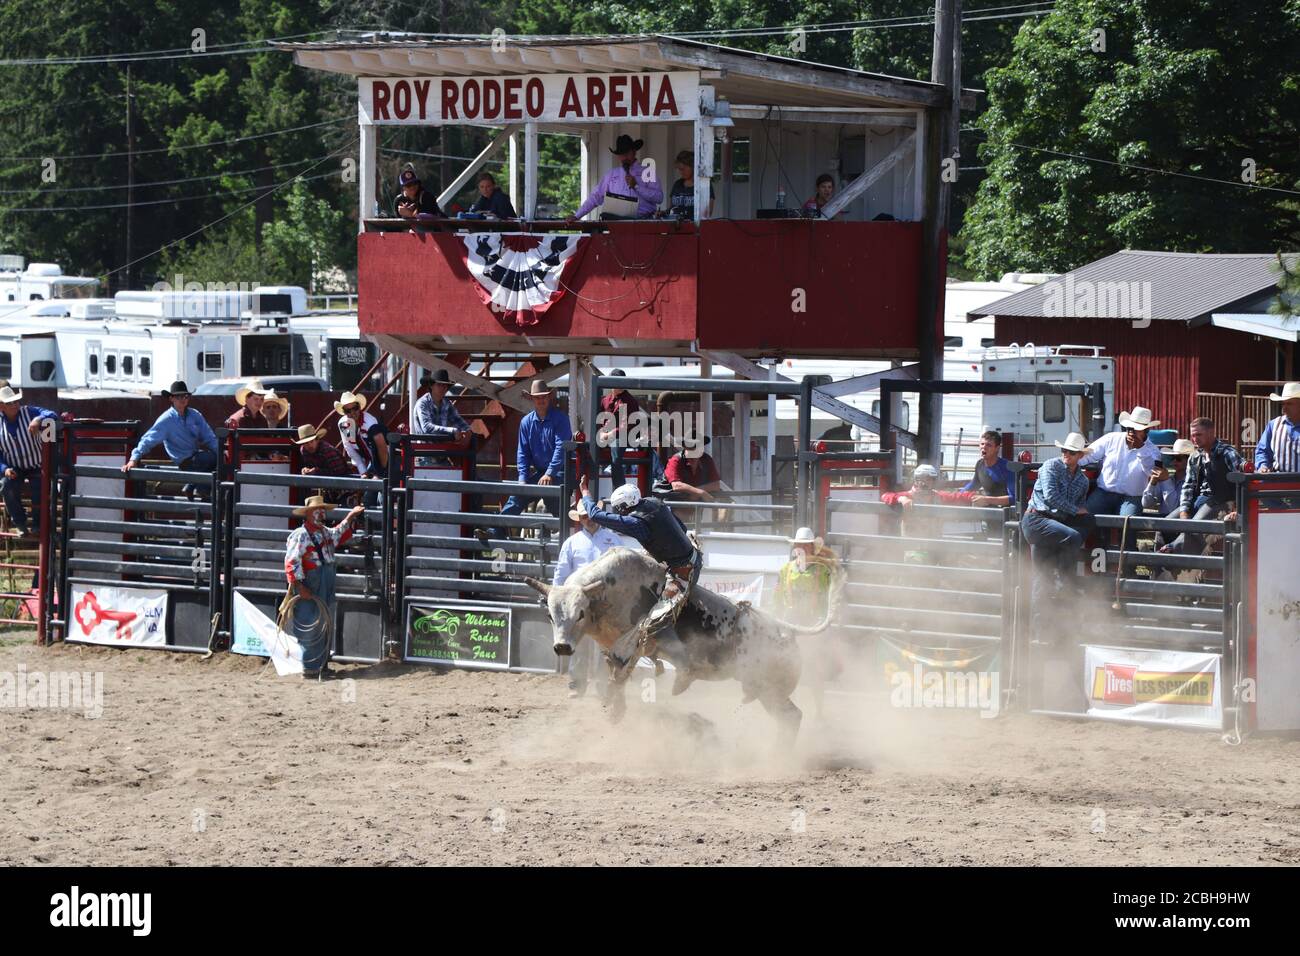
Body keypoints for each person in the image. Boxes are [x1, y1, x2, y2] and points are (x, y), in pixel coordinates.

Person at [580, 476, 701, 688]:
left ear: (625, 507)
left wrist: (585, 494)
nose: (620, 515)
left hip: (683, 572)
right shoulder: (654, 503)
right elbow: (679, 526)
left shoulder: (637, 523)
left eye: (620, 510)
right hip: (687, 557)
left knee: (656, 620)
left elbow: (596, 515)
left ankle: (685, 666)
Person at [477, 380, 572, 542]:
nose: (541, 400)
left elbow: (561, 448)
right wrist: (523, 479)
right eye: (537, 397)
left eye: (543, 397)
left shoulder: (559, 419)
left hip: (560, 472)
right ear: (532, 399)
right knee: (519, 496)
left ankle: (567, 535)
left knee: (552, 503)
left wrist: (549, 472)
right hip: (544, 474)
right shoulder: (527, 422)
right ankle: (497, 529)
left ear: (549, 398)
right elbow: (523, 452)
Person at [283, 495, 365, 681]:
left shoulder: (324, 532)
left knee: (325, 620)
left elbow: (338, 533)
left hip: (324, 577)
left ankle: (321, 664)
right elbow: (292, 560)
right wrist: (299, 585)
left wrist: (351, 516)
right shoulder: (301, 534)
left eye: (322, 510)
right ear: (309, 514)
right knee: (310, 620)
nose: (321, 513)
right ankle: (311, 667)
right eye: (317, 510)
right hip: (311, 581)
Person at [553, 497, 627, 699]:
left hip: (605, 600)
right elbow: (561, 572)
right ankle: (577, 684)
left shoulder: (613, 539)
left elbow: (623, 568)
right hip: (578, 602)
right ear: (580, 519)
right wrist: (557, 594)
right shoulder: (572, 543)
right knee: (580, 640)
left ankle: (603, 685)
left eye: (590, 516)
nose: (588, 520)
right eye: (584, 517)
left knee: (605, 642)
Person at [1020, 432, 1093, 607]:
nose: (1066, 454)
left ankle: (1043, 630)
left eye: (1071, 452)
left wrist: (1076, 512)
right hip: (1036, 520)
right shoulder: (1050, 466)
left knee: (1041, 580)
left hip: (1053, 526)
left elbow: (1077, 510)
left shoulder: (1083, 481)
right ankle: (1065, 581)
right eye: (1064, 450)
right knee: (1074, 537)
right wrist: (1076, 510)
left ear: (1080, 456)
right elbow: (1051, 496)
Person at [1079, 406, 1162, 549]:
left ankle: (1127, 567)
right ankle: (1077, 557)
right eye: (1129, 427)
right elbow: (1089, 454)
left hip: (1131, 497)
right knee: (1082, 517)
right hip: (1104, 492)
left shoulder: (1153, 451)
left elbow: (1151, 472)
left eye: (1135, 429)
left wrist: (1140, 449)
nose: (1131, 431)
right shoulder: (1111, 439)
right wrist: (1071, 462)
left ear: (1145, 431)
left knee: (1127, 526)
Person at [122, 381, 219, 495]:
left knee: (217, 459)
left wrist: (221, 452)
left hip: (195, 458)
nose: (182, 399)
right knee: (213, 458)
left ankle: (194, 487)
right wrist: (133, 459)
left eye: (185, 396)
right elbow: (148, 439)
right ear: (171, 398)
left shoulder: (195, 415)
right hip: (185, 461)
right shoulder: (166, 420)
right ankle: (197, 487)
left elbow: (209, 436)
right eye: (178, 396)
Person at [1164, 419, 1242, 554]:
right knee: (1165, 524)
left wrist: (1239, 509)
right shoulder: (1194, 457)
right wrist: (1184, 510)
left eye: (1198, 435)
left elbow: (1242, 482)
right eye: (1193, 435)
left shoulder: (1228, 453)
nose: (1194, 439)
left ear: (1211, 432)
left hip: (1223, 502)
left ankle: (1171, 552)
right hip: (1200, 501)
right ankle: (1161, 563)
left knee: (1194, 526)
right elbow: (1188, 486)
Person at [0, 385, 58, 537]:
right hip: (14, 468)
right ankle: (20, 523)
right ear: (1, 407)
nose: (14, 405)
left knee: (41, 487)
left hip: (37, 464)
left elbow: (52, 414)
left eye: (15, 402)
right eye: (9, 403)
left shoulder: (29, 411)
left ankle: (38, 524)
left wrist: (39, 419)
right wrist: (4, 468)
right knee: (6, 486)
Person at [568, 134, 663, 221]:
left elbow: (659, 198)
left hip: (644, 223)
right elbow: (596, 197)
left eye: (627, 153)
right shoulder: (611, 174)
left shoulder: (647, 172)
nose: (624, 157)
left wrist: (637, 187)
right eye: (621, 154)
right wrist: (577, 216)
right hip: (617, 224)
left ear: (634, 152)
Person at [335, 391, 388, 506]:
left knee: (381, 498)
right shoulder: (343, 424)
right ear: (344, 412)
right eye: (348, 411)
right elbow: (349, 448)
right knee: (369, 499)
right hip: (371, 461)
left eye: (355, 408)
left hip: (385, 459)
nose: (353, 413)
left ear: (359, 407)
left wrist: (378, 472)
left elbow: (380, 449)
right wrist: (363, 471)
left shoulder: (370, 422)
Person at [596, 368, 643, 488]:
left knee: (616, 454)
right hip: (606, 436)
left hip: (624, 437)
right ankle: (589, 481)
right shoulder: (605, 400)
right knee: (588, 449)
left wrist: (609, 434)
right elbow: (598, 420)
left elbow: (626, 426)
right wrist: (601, 432)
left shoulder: (628, 401)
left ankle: (619, 489)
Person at [295, 423, 355, 504]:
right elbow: (308, 466)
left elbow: (340, 473)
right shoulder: (304, 451)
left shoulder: (328, 451)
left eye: (311, 441)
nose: (309, 445)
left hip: (345, 489)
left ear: (317, 440)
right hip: (328, 490)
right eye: (306, 443)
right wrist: (305, 470)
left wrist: (316, 471)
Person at [414, 369, 472, 443]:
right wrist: (452, 430)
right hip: (425, 450)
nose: (442, 388)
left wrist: (467, 430)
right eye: (439, 385)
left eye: (445, 385)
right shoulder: (422, 403)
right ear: (431, 386)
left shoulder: (447, 403)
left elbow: (457, 419)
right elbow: (427, 427)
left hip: (443, 449)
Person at [963, 429, 1016, 507]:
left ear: (997, 448)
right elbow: (973, 485)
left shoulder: (1007, 467)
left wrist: (986, 499)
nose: (984, 447)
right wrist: (953, 495)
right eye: (982, 444)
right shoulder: (980, 464)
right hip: (987, 510)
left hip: (1005, 513)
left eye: (989, 445)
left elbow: (1013, 498)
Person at [1255, 381, 1300, 473]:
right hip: (1278, 482)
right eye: (1283, 403)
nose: (1284, 407)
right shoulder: (1274, 425)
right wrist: (1263, 465)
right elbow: (1262, 451)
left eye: (1289, 404)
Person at [1143, 438, 1194, 515]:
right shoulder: (1168, 479)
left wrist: (1166, 481)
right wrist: (1152, 483)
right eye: (1173, 458)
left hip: (1175, 524)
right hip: (1163, 522)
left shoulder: (1191, 483)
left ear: (1189, 460)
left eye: (1178, 459)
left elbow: (1173, 509)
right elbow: (1146, 504)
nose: (1174, 462)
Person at [663, 436, 722, 501]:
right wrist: (700, 492)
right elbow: (676, 486)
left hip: (697, 505)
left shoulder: (707, 459)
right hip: (674, 504)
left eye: (698, 446)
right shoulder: (676, 460)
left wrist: (697, 492)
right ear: (685, 447)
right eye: (691, 446)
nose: (695, 449)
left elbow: (716, 485)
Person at [660, 150, 713, 220]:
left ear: (693, 166)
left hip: (695, 227)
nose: (681, 172)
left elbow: (707, 213)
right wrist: (663, 213)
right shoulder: (677, 184)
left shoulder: (704, 186)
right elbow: (672, 208)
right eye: (679, 169)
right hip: (675, 226)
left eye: (683, 169)